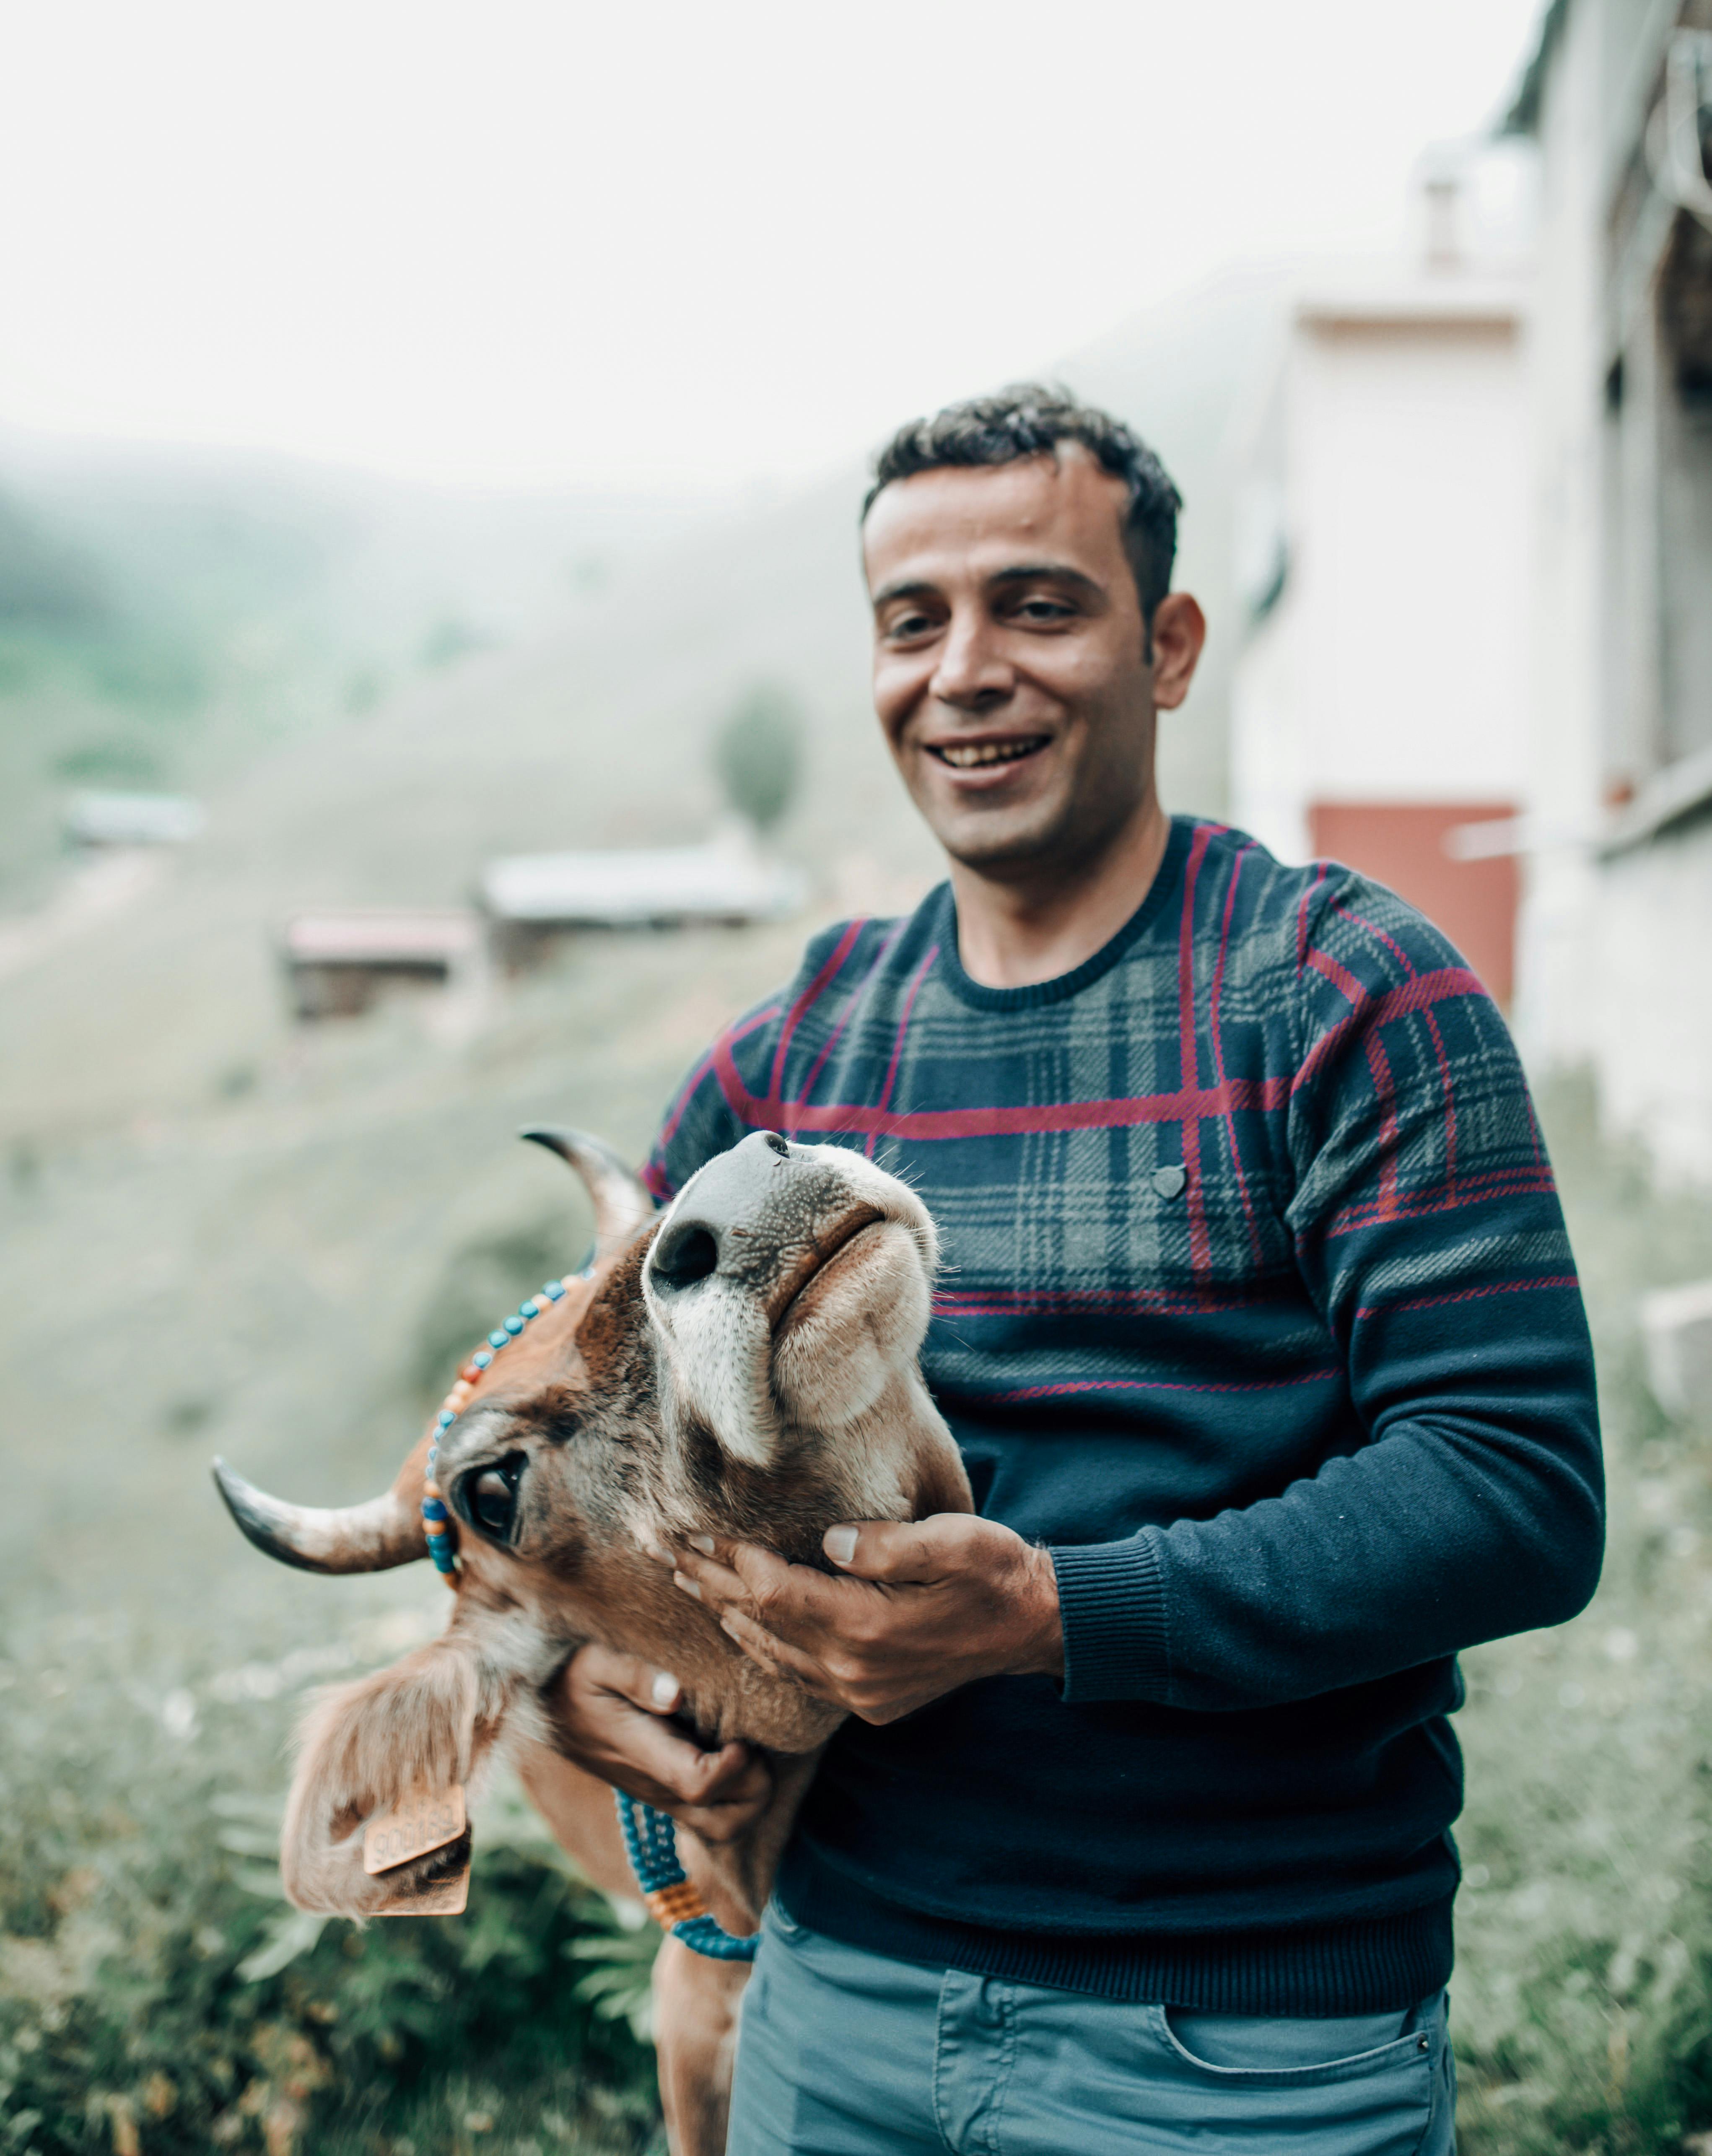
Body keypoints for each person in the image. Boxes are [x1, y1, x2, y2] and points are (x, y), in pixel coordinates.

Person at [548, 384, 1603, 2153]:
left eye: (1038, 605)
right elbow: (604, 1468)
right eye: (913, 621)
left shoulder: (1343, 996)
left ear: (1168, 645)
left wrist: (1048, 1617)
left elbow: (1511, 1489)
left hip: (1237, 2047)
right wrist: (598, 1670)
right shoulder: (782, 1065)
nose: (965, 669)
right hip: (834, 2007)